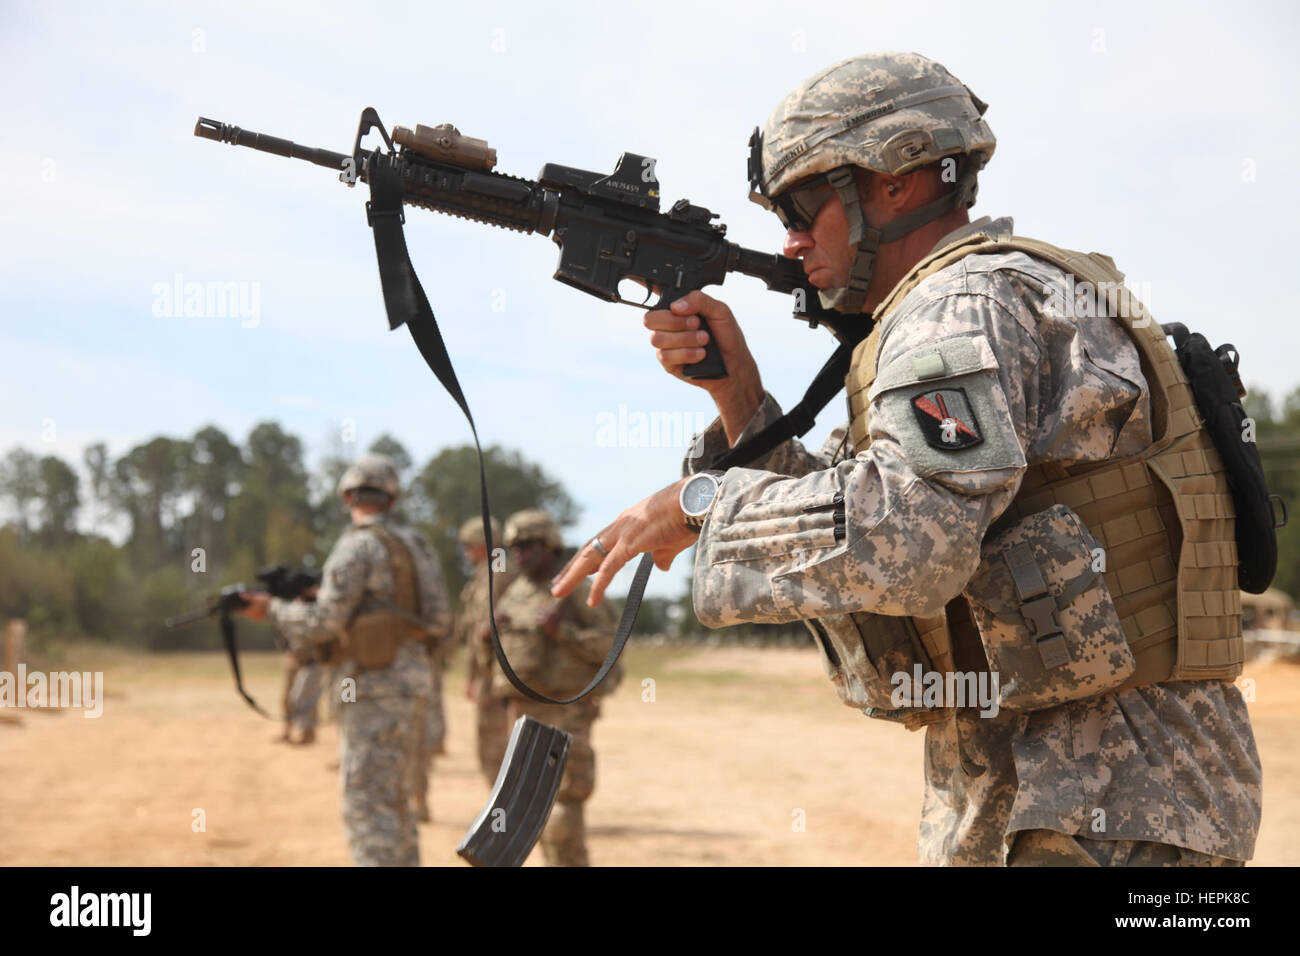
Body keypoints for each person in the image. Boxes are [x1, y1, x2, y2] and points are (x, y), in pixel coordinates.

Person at [551, 52, 1261, 867]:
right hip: (1088, 792)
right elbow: (902, 511)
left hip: (1100, 801)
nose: (787, 237)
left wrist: (699, 504)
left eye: (800, 203)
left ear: (895, 180)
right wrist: (738, 396)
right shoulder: (998, 294)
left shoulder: (959, 303)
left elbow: (912, 539)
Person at [237, 453, 449, 866]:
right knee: (396, 802)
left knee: (367, 808)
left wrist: (272, 610)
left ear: (349, 496)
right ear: (392, 499)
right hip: (414, 684)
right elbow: (439, 618)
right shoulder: (418, 545)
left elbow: (323, 622)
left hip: (371, 687)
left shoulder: (357, 545)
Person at [494, 509, 620, 866]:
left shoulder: (576, 588)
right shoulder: (516, 591)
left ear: (550, 545)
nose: (519, 554)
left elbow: (612, 643)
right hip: (523, 713)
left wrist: (561, 633)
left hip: (567, 714)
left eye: (528, 545)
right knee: (526, 808)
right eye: (515, 547)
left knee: (563, 810)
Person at [454, 516, 517, 786]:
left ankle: (504, 808)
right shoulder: (487, 573)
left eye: (469, 545)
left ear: (482, 544)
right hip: (488, 671)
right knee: (493, 743)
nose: (466, 552)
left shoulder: (499, 573)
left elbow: (486, 630)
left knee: (493, 744)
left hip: (497, 672)